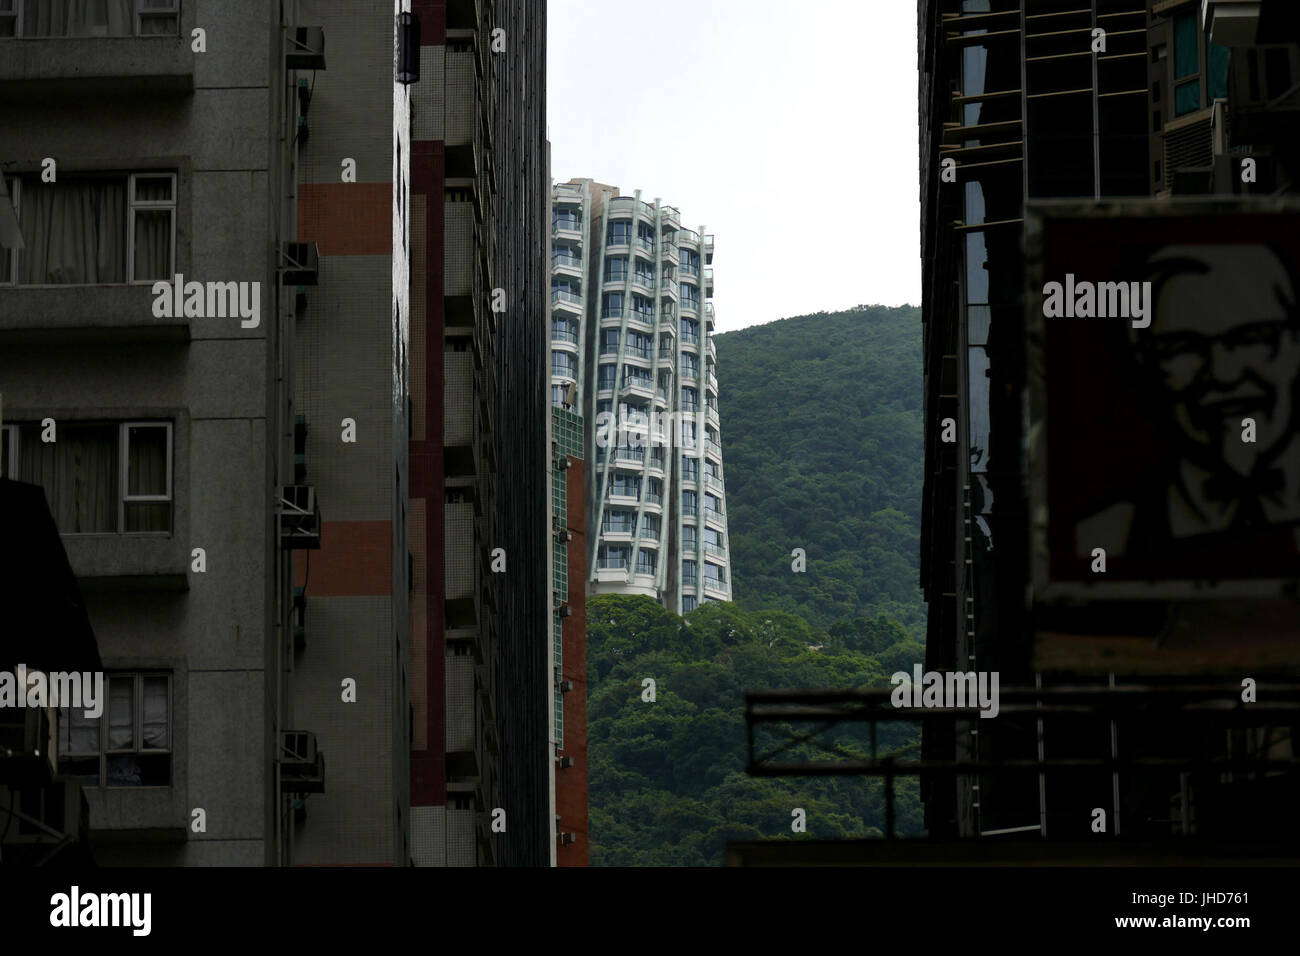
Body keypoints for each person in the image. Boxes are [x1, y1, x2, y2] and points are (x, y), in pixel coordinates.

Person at [1076, 243, 1300, 570]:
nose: (1224, 373)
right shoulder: (1102, 538)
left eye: (1253, 337)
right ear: (1148, 365)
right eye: (1183, 347)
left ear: (1295, 344)